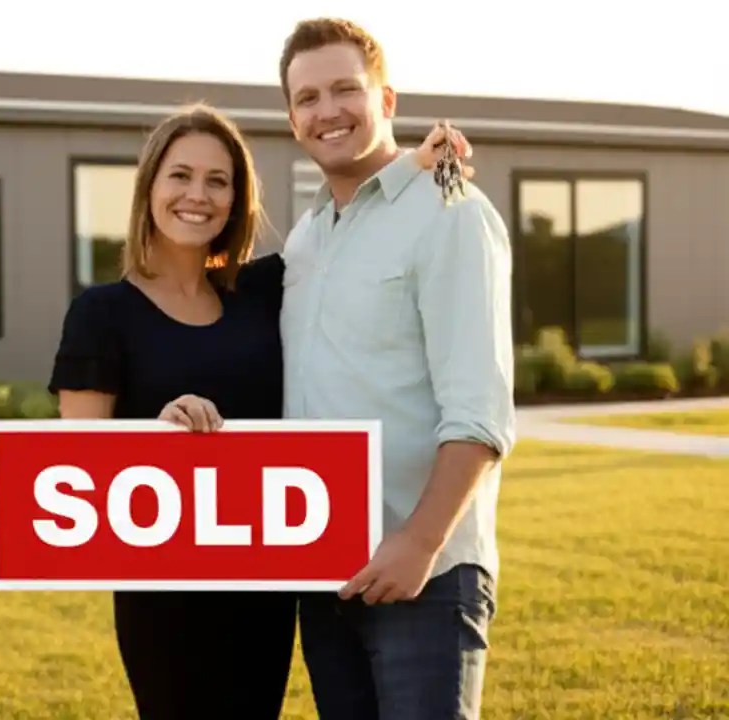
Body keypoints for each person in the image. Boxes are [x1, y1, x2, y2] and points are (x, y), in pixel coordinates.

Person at [46, 101, 476, 718]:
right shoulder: (101, 314)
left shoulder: (258, 291)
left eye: (217, 181)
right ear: (149, 187)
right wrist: (156, 434)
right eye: (180, 175)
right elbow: (78, 470)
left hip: (264, 593)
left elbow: (349, 236)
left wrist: (411, 165)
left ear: (236, 199)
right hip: (167, 600)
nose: (198, 195)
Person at [277, 17, 516, 720]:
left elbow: (479, 412)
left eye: (346, 89)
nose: (327, 111)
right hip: (326, 575)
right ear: (291, 119)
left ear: (386, 100)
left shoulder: (450, 211)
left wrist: (419, 542)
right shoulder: (306, 238)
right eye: (307, 97)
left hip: (426, 578)